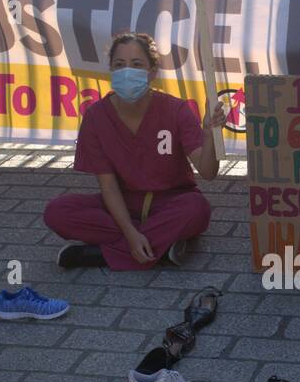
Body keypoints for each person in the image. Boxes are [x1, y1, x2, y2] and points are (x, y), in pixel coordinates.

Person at [43, 33, 226, 271]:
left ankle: (98, 255)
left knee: (197, 209)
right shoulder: (96, 117)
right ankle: (157, 248)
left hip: (170, 203)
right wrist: (131, 233)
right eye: (119, 65)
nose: (127, 71)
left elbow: (208, 172)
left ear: (152, 72)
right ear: (110, 70)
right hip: (121, 206)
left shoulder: (175, 110)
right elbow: (108, 187)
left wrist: (210, 134)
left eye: (137, 64)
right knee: (57, 212)